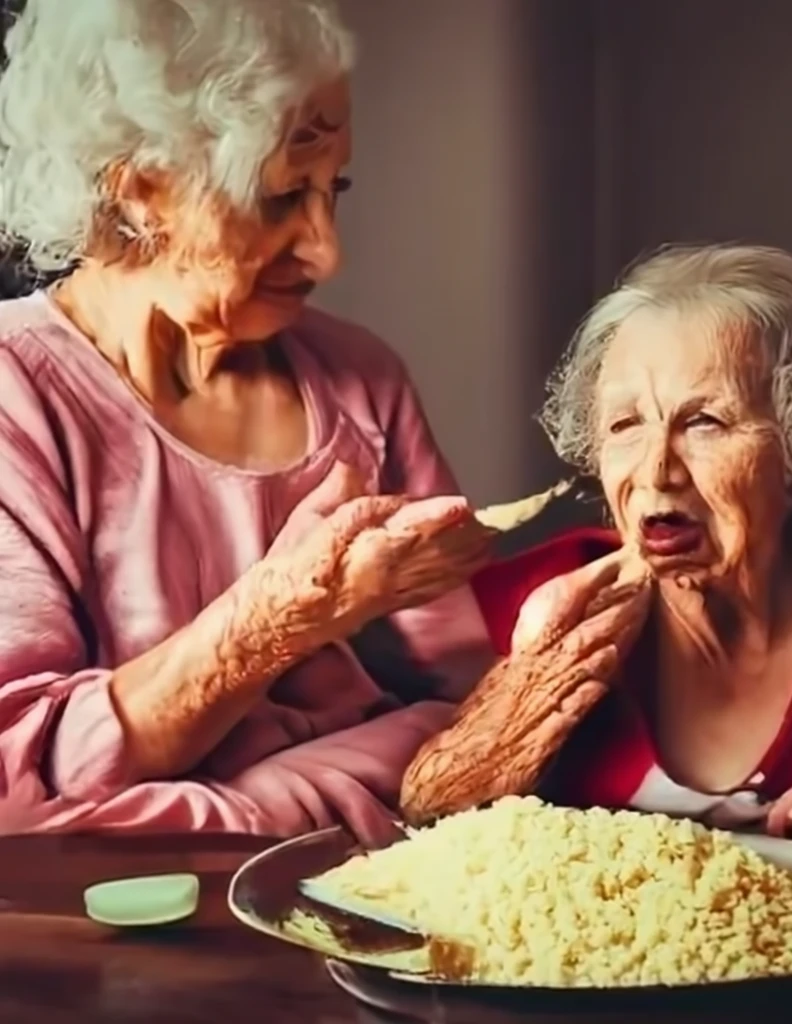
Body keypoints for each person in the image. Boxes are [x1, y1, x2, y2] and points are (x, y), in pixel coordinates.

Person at [0, 0, 497, 842]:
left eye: (332, 190)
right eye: (280, 198)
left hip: (364, 891)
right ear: (141, 190)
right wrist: (278, 620)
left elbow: (473, 716)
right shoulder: (16, 393)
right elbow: (22, 784)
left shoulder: (362, 379)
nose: (326, 251)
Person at [400, 243, 792, 854]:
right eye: (625, 425)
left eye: (704, 422)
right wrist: (516, 708)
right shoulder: (549, 604)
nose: (655, 470)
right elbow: (408, 819)